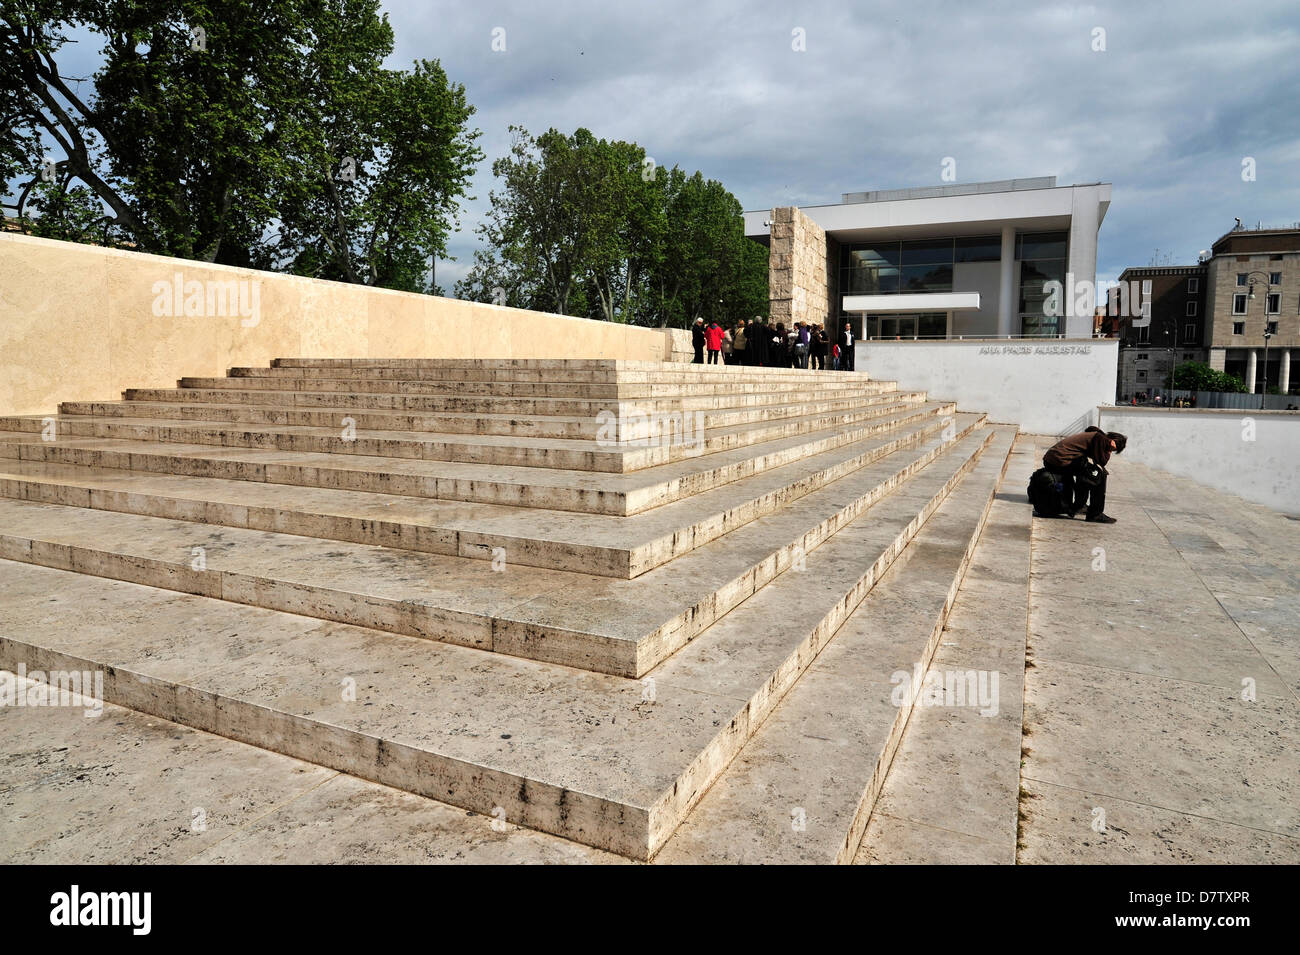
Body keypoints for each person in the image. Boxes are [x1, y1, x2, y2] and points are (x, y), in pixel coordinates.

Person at [1042, 426, 1128, 524]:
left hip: (1054, 460)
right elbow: (1102, 461)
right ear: (1114, 441)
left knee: (1087, 472)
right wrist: (1108, 451)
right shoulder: (1101, 438)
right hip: (1059, 460)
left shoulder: (1096, 436)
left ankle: (1079, 505)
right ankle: (1095, 513)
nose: (1111, 451)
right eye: (1114, 449)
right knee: (1099, 475)